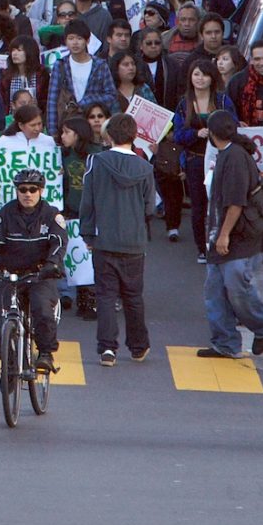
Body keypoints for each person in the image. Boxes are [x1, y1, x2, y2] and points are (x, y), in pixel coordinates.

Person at [78, 113, 158, 363]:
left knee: (105, 295)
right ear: (134, 136)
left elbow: (87, 202)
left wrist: (88, 234)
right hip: (134, 242)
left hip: (104, 240)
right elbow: (149, 208)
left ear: (108, 135)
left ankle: (107, 348)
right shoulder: (145, 168)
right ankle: (138, 346)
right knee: (133, 296)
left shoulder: (96, 162)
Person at [197, 110, 263, 361]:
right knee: (215, 291)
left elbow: (235, 203)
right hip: (221, 235)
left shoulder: (235, 158)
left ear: (212, 133)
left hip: (239, 238)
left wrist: (224, 236)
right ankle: (225, 343)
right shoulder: (226, 154)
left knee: (236, 286)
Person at [0, 166, 67, 372]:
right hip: (9, 274)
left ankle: (45, 354)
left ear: (41, 191)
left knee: (42, 309)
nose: (27, 194)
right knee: (4, 322)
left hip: (40, 274)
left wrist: (53, 265)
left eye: (33, 189)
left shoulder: (51, 215)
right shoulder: (4, 215)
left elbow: (59, 243)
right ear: (16, 191)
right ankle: (10, 366)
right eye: (22, 189)